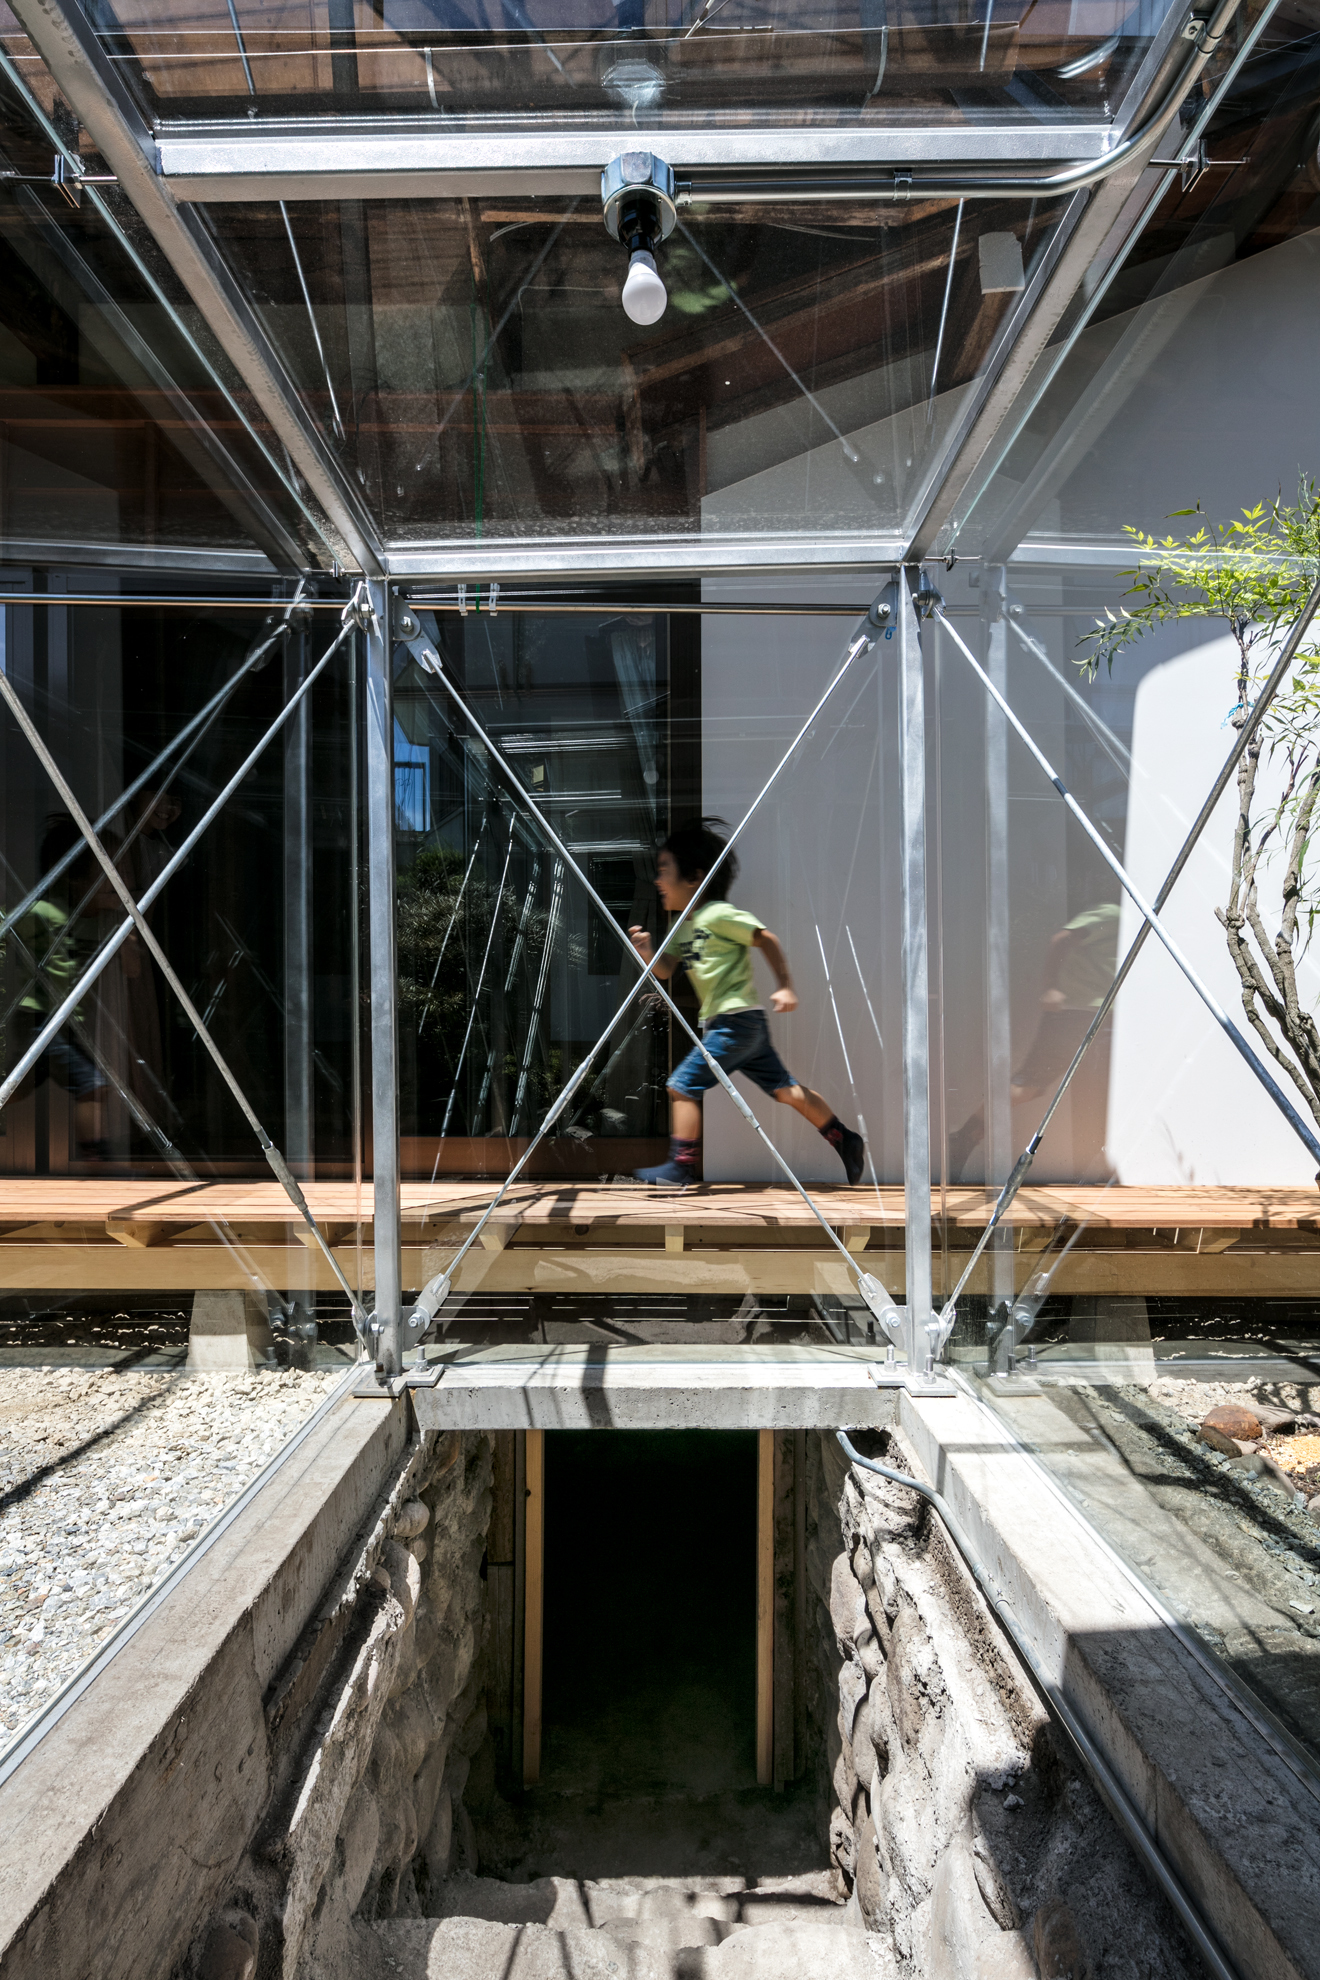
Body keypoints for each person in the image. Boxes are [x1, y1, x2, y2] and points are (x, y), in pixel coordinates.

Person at [629, 817, 866, 1188]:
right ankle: (844, 1138)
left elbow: (764, 937)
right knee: (786, 1090)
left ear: (694, 877)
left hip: (733, 1024)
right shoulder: (684, 927)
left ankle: (680, 1166)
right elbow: (665, 970)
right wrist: (647, 952)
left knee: (681, 1086)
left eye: (664, 871)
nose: (658, 881)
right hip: (745, 1026)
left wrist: (785, 985)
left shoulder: (719, 914)